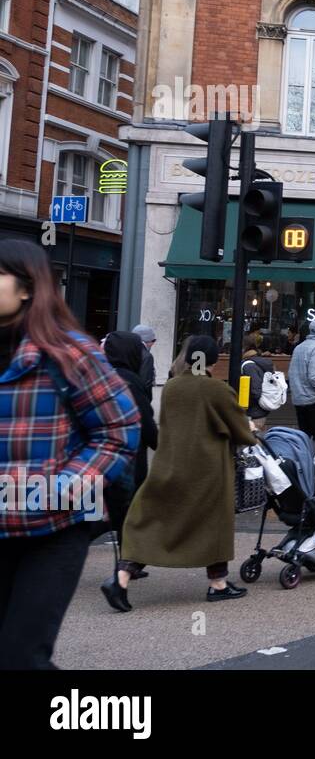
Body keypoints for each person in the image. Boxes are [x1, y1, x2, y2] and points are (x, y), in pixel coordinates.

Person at [0, 240, 139, 666]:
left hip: (55, 527)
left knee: (22, 655)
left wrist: (64, 487)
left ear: (27, 287)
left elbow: (119, 429)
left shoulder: (69, 352)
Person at [104, 335, 254, 612]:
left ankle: (121, 578)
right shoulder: (217, 390)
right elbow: (240, 431)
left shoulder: (172, 387)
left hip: (169, 466)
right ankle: (218, 583)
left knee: (158, 523)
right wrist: (250, 432)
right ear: (213, 359)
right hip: (207, 470)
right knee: (214, 524)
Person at [100, 331, 159, 556]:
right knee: (126, 509)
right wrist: (160, 445)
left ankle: (129, 561)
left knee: (115, 510)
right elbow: (145, 420)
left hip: (101, 455)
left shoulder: (101, 377)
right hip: (129, 456)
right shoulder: (130, 381)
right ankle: (129, 562)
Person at [288, 319, 315, 456]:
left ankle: (305, 466)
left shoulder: (299, 347)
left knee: (304, 436)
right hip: (314, 400)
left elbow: (292, 373)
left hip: (299, 399)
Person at [239, 333, 276, 431]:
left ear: (243, 347)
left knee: (253, 441)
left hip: (253, 412)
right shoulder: (257, 361)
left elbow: (256, 390)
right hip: (258, 412)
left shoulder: (248, 365)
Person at [132, 323, 158, 391]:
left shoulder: (126, 352)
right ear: (146, 340)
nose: (153, 343)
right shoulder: (147, 357)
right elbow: (145, 383)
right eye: (153, 340)